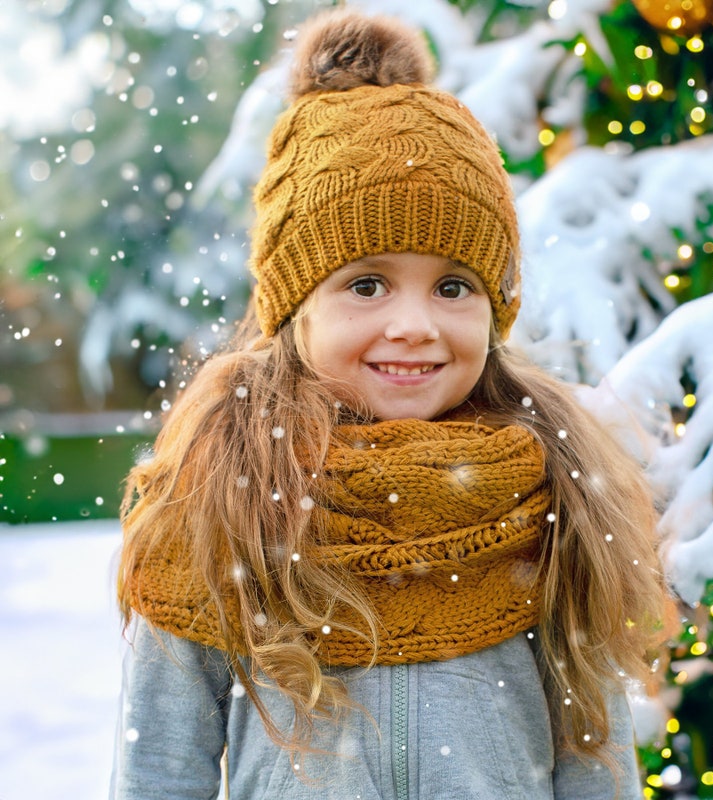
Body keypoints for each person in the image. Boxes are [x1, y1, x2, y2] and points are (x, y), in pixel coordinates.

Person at [111, 8, 671, 799]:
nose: (414, 326)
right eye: (366, 284)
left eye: (453, 286)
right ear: (294, 307)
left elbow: (595, 761)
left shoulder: (550, 497)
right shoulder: (213, 501)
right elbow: (160, 771)